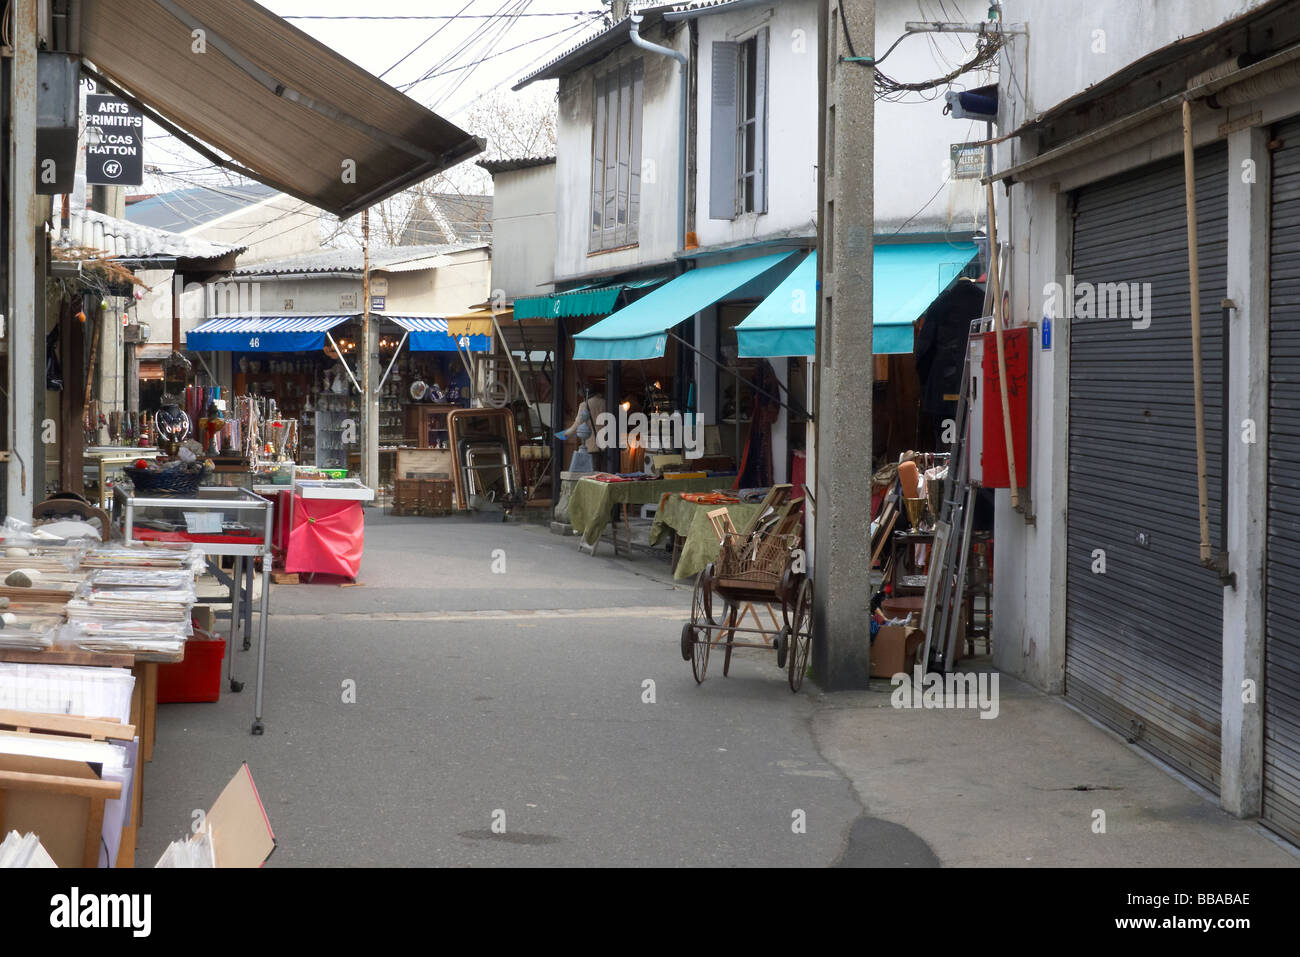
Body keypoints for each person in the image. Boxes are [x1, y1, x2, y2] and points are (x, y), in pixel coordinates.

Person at [556, 384, 606, 473]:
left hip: (592, 445)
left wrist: (564, 434)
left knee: (593, 474)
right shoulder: (605, 402)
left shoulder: (584, 405)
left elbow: (577, 425)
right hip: (607, 444)